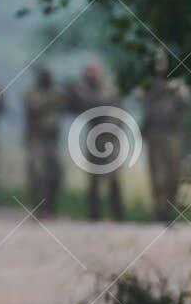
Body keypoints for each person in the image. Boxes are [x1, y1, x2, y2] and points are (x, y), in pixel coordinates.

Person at [64, 60, 124, 221]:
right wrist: (72, 93)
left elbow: (98, 103)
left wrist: (80, 91)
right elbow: (73, 108)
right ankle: (94, 214)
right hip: (94, 137)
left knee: (112, 177)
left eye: (91, 72)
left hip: (110, 137)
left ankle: (118, 214)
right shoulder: (89, 90)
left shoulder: (109, 89)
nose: (89, 76)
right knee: (93, 176)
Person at [142, 51, 191, 222]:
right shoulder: (150, 86)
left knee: (174, 174)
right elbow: (143, 102)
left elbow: (187, 104)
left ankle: (171, 209)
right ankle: (160, 210)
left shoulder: (178, 87)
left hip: (173, 135)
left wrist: (174, 90)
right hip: (155, 133)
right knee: (157, 175)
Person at [22, 66, 64, 218]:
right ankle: (37, 207)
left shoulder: (55, 92)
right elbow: (34, 106)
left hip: (52, 140)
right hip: (36, 139)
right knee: (37, 173)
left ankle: (50, 207)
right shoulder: (32, 92)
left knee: (55, 173)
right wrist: (54, 98)